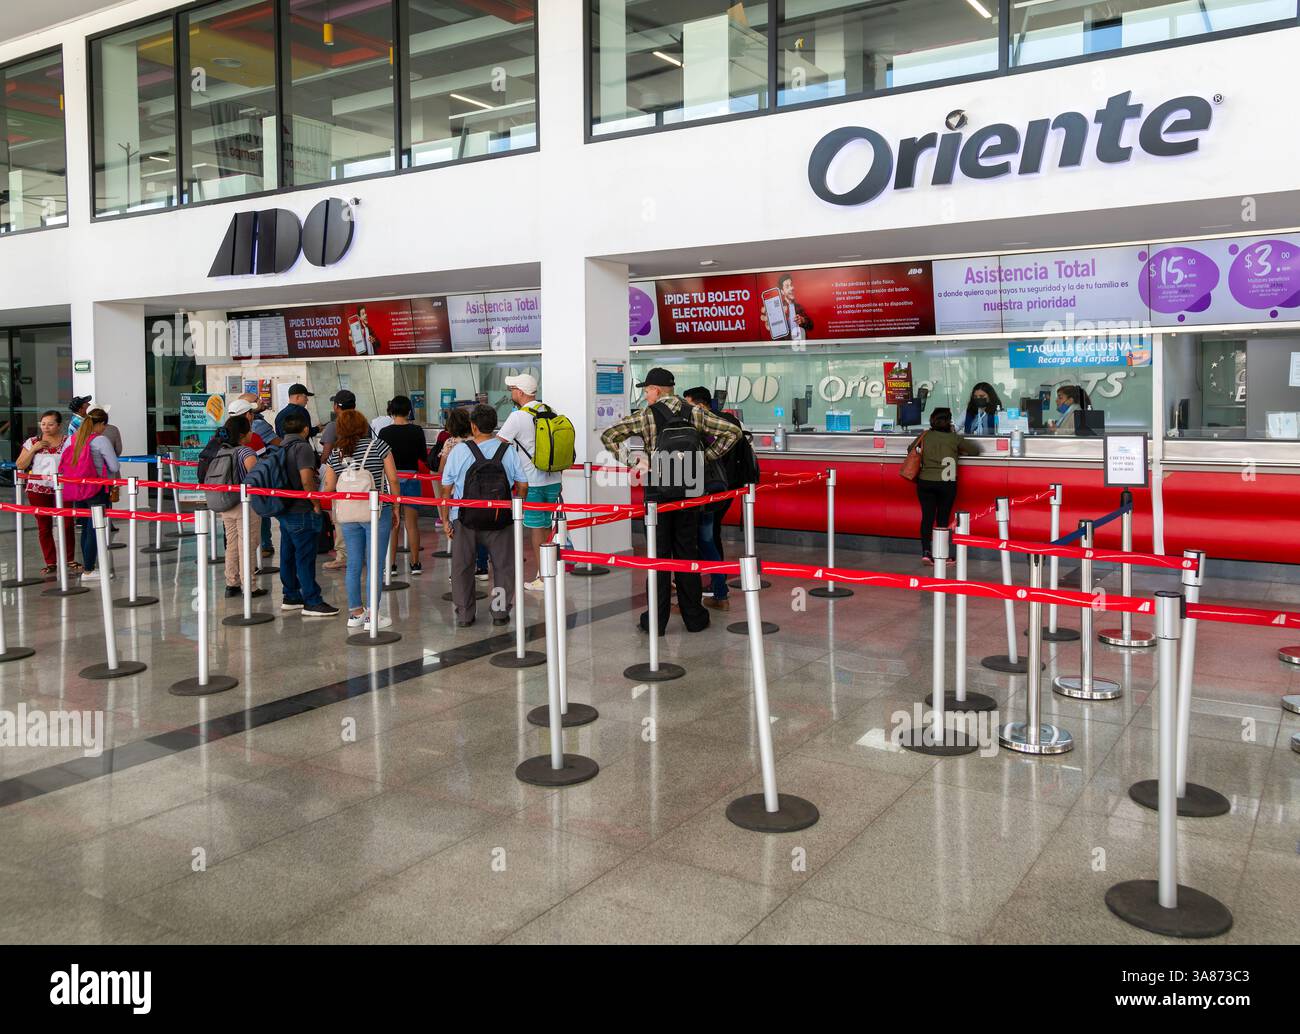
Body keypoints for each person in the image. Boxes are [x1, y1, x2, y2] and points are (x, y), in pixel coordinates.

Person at [601, 367, 740, 635]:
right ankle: (695, 618)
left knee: (658, 557)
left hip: (657, 493)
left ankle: (656, 621)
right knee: (687, 554)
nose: (645, 395)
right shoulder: (695, 412)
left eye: (646, 390)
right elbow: (731, 432)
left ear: (655, 390)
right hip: (689, 491)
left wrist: (637, 462)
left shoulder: (645, 416)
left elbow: (609, 436)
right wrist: (705, 457)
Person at [440, 404, 526, 628]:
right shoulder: (507, 450)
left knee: (462, 567)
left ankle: (465, 614)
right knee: (502, 567)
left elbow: (446, 489)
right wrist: (517, 507)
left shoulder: (459, 451)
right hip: (501, 518)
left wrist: (447, 519)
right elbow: (523, 485)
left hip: (465, 518)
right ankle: (499, 612)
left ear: (473, 426)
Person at [322, 409, 400, 631]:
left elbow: (328, 488)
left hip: (348, 514)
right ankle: (372, 617)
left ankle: (355, 613)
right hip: (376, 511)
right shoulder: (379, 446)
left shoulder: (335, 453)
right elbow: (393, 480)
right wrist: (396, 506)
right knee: (374, 563)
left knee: (354, 563)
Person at [496, 373, 563, 590]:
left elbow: (498, 443)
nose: (511, 392)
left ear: (521, 393)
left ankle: (544, 578)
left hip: (531, 481)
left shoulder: (518, 417)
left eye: (513, 389)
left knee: (536, 527)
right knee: (547, 526)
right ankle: (547, 571)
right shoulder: (549, 411)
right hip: (554, 479)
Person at [275, 412, 338, 617]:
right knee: (304, 557)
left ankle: (291, 595)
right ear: (304, 430)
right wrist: (316, 503)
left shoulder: (280, 447)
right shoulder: (302, 448)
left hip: (284, 508)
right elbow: (306, 481)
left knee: (288, 554)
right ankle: (312, 600)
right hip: (302, 510)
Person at [683, 386, 742, 610]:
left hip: (701, 492)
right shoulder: (725, 422)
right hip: (720, 489)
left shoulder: (702, 425)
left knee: (697, 542)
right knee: (709, 540)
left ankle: (700, 592)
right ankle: (719, 590)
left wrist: (704, 458)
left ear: (699, 404)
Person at [908, 407, 979, 565]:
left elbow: (910, 449)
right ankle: (943, 555)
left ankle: (926, 552)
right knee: (942, 518)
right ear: (949, 422)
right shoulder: (954, 438)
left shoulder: (925, 435)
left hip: (925, 482)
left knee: (927, 517)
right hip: (947, 483)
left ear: (932, 420)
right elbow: (975, 450)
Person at [16, 410, 74, 575]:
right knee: (44, 526)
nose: (46, 427)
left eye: (50, 424)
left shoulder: (68, 442)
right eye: (43, 424)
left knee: (68, 523)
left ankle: (70, 559)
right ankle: (50, 561)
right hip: (38, 489)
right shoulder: (32, 441)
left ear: (59, 425)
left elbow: (74, 463)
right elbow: (20, 465)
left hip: (63, 488)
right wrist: (33, 449)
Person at [209, 415, 261, 599]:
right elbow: (256, 478)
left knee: (231, 543)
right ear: (243, 434)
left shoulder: (221, 451)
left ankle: (231, 583)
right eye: (249, 429)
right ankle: (250, 586)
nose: (252, 432)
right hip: (244, 505)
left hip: (226, 504)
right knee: (247, 544)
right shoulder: (246, 452)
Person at [65, 408, 119, 581]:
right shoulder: (100, 440)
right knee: (95, 529)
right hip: (97, 490)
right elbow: (114, 467)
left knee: (85, 529)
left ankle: (87, 566)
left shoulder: (72, 439)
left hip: (77, 490)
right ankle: (89, 569)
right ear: (101, 424)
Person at [435, 406, 489, 579]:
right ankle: (482, 567)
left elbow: (443, 470)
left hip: (460, 496)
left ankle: (462, 570)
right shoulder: (478, 441)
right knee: (481, 530)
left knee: (463, 535)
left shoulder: (451, 443)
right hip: (482, 494)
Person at [378, 395, 426, 575]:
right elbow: (422, 456)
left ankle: (391, 565)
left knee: (393, 523)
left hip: (391, 480)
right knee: (412, 524)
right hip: (412, 478)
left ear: (391, 411)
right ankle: (415, 564)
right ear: (408, 411)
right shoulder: (417, 431)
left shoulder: (384, 433)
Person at [319, 389, 357, 570]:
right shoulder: (361, 424)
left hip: (341, 480)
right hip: (361, 480)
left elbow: (326, 455)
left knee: (341, 519)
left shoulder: (333, 426)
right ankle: (360, 553)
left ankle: (343, 555)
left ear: (336, 407)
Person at [759, 273, 814, 341]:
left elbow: (811, 326)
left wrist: (802, 320)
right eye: (787, 286)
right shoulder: (778, 308)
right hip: (785, 348)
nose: (791, 288)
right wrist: (773, 327)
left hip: (800, 347)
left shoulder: (799, 307)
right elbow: (777, 337)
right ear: (782, 292)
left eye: (791, 285)